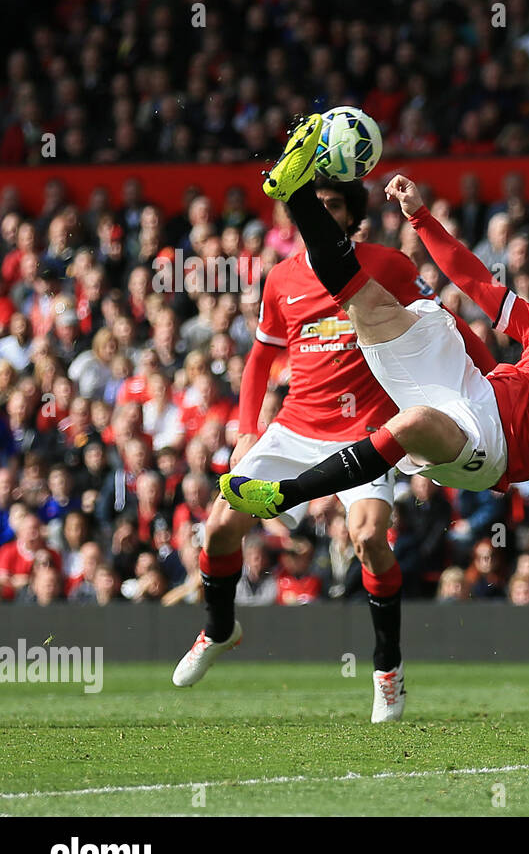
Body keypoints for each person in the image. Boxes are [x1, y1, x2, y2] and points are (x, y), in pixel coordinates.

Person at [221, 116, 529, 608]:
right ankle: (293, 192)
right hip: (473, 388)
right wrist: (420, 216)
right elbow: (474, 281)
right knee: (373, 304)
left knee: (415, 422)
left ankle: (284, 494)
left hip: (497, 446)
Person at [171, 170, 497, 724]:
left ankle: (387, 671)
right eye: (310, 206)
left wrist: (495, 382)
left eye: (329, 206)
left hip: (366, 431)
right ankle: (220, 629)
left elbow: (442, 324)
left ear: (351, 216)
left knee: (369, 536)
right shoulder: (280, 278)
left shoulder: (389, 265)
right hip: (294, 425)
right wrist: (249, 425)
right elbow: (259, 358)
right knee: (221, 527)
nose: (317, 215)